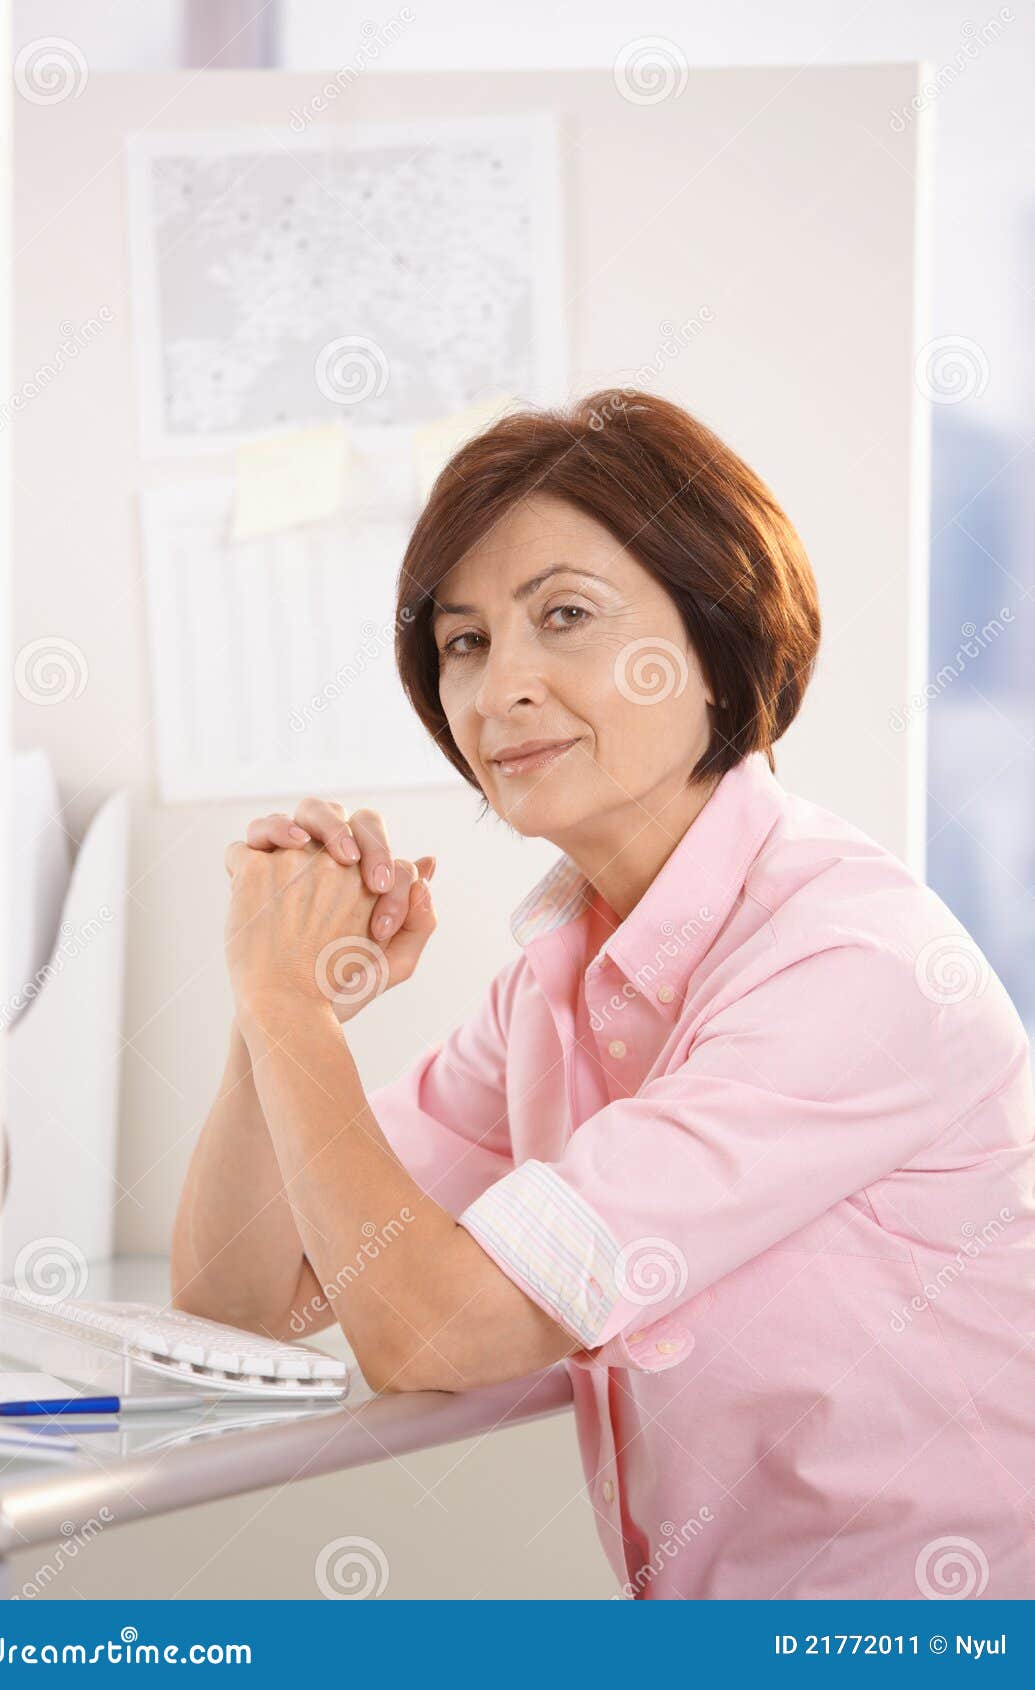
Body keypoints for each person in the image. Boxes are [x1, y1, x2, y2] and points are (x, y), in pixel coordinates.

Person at [172, 389, 1035, 1599]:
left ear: (717, 638)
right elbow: (243, 1303)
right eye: (463, 640)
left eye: (562, 616)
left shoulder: (849, 963)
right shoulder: (553, 978)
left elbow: (434, 1330)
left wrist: (285, 1008)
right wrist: (272, 1002)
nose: (497, 688)